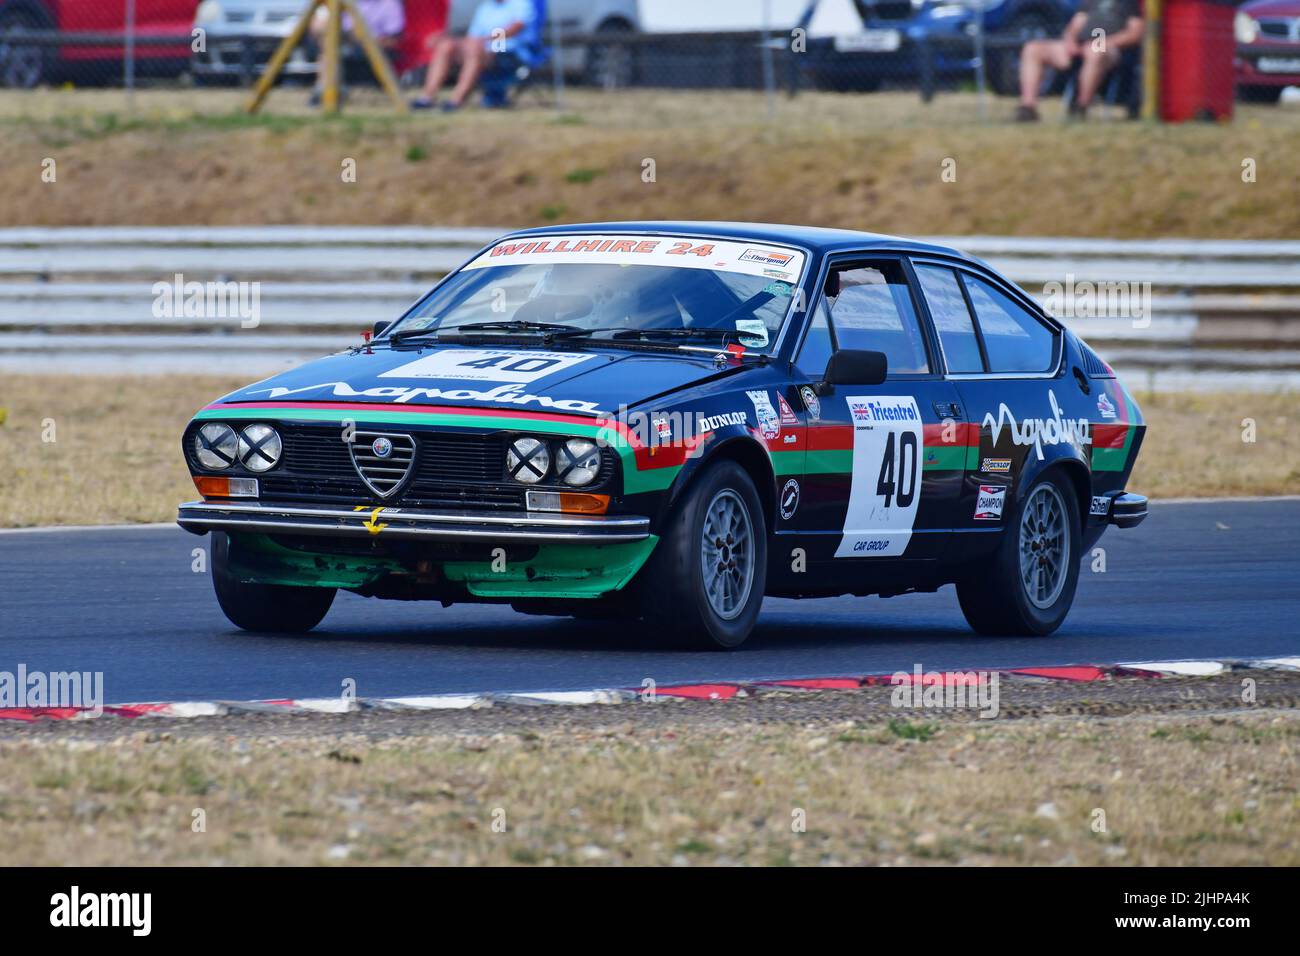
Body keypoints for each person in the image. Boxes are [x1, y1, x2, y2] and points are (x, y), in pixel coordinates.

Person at [1015, 0, 1144, 121]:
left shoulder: (1129, 3)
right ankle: (1028, 107)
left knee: (1095, 52)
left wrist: (1102, 42)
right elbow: (1074, 25)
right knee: (1033, 49)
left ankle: (1081, 107)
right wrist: (1070, 42)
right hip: (1081, 46)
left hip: (1108, 49)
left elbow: (1135, 33)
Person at [411, 0, 538, 111]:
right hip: (481, 48)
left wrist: (487, 39)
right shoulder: (486, 7)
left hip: (507, 50)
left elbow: (516, 28)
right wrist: (447, 39)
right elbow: (473, 35)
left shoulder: (521, 3)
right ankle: (427, 98)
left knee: (474, 49)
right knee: (446, 47)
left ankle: (456, 100)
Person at [308, 0, 406, 107]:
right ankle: (325, 88)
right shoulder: (346, 2)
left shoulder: (389, 3)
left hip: (375, 46)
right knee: (327, 43)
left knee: (329, 49)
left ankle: (324, 90)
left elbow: (394, 38)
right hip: (345, 42)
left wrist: (365, 39)